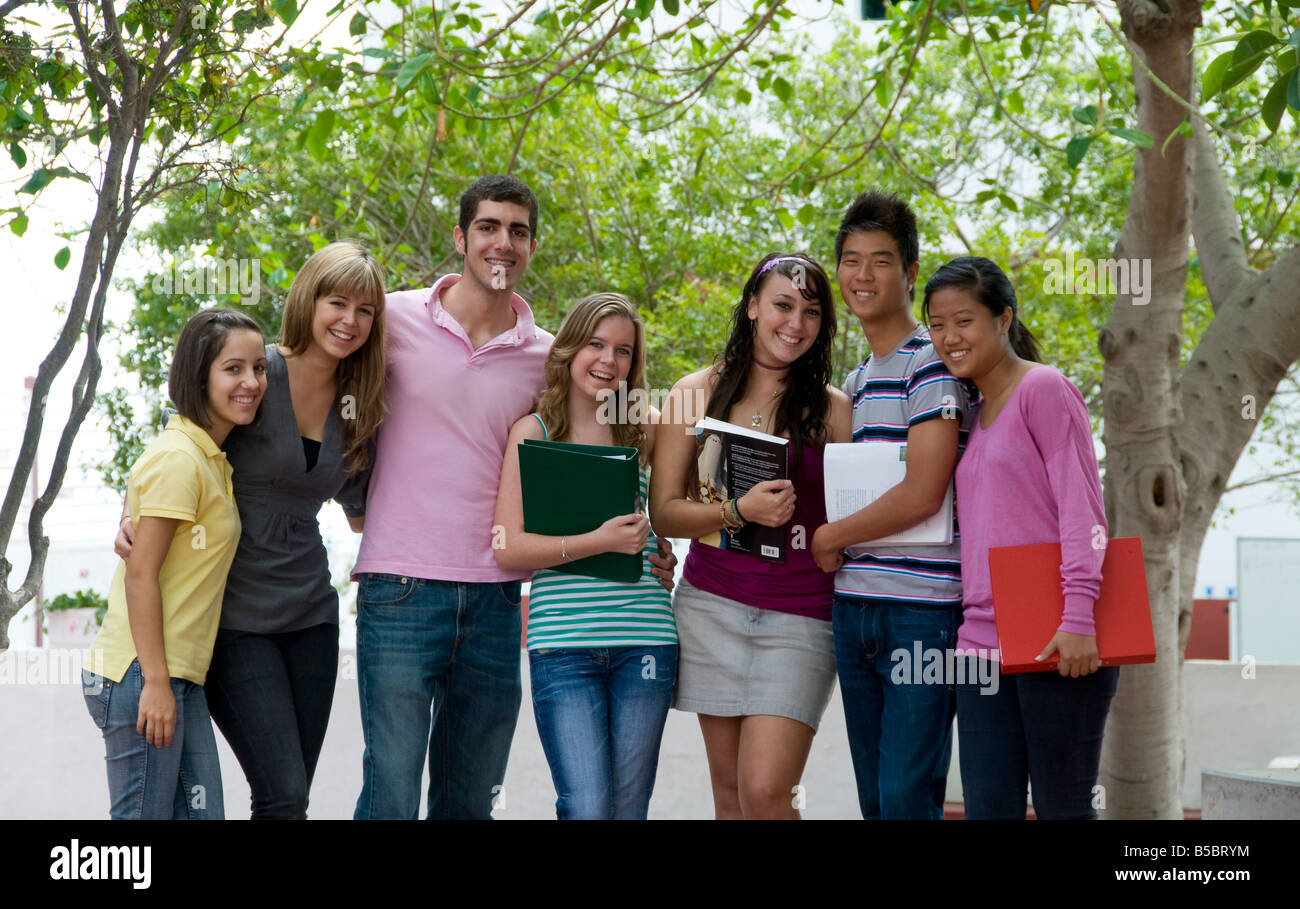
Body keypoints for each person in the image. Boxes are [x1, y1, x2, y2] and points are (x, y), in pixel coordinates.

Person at [344, 176, 677, 820]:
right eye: (489, 227)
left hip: (500, 598)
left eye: (518, 231)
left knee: (470, 797)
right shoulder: (392, 318)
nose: (503, 242)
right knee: (390, 788)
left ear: (531, 246)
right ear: (461, 237)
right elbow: (307, 366)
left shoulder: (553, 357)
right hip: (399, 586)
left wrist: (659, 550)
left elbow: (599, 461)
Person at [118, 241, 388, 818]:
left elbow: (362, 511)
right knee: (283, 791)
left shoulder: (355, 401)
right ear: (308, 300)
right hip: (237, 620)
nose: (350, 320)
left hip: (313, 615)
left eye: (366, 310)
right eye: (337, 302)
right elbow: (178, 439)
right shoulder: (256, 370)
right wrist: (128, 513)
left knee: (290, 801)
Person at [650, 252, 851, 820]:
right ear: (752, 307)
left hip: (801, 617)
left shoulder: (835, 410)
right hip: (711, 607)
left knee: (767, 792)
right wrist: (736, 510)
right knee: (731, 795)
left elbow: (855, 515)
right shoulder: (693, 393)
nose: (796, 323)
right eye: (783, 305)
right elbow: (664, 512)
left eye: (812, 312)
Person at [923, 255, 1118, 820]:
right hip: (979, 645)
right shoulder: (973, 412)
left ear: (1003, 318)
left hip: (1057, 637)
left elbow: (1085, 512)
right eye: (937, 324)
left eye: (963, 320)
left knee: (1063, 809)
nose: (949, 337)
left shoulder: (1045, 388)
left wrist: (1079, 616)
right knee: (987, 808)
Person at [809, 191, 974, 820]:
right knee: (876, 801)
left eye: (881, 261)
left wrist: (830, 539)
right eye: (851, 261)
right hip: (856, 607)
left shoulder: (930, 362)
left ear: (909, 274)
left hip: (920, 614)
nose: (863, 276)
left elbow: (925, 489)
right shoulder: (855, 380)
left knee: (907, 798)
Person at [493, 292, 677, 820]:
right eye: (595, 344)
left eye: (623, 351)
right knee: (587, 806)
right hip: (563, 646)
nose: (608, 360)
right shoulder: (533, 433)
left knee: (629, 807)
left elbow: (677, 516)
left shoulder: (649, 429)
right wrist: (598, 541)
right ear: (569, 348)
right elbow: (507, 547)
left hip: (647, 640)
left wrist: (665, 550)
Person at [85, 307, 267, 819]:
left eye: (258, 367)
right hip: (140, 674)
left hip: (177, 675)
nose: (251, 381)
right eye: (233, 368)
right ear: (198, 375)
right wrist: (157, 683)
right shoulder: (182, 457)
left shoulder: (206, 455)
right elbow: (140, 573)